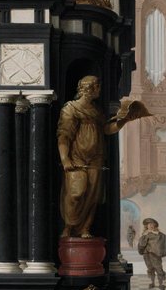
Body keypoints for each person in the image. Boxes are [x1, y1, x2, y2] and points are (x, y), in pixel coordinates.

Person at [57, 75, 142, 238]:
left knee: (93, 196)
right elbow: (64, 135)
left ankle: (85, 228)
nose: (99, 91)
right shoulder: (71, 108)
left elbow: (106, 130)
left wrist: (123, 121)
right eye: (97, 87)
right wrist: (65, 158)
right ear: (88, 89)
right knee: (76, 193)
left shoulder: (96, 111)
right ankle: (69, 226)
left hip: (96, 159)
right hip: (76, 159)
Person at [137, 217, 166, 289]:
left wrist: (161, 252)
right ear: (146, 226)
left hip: (155, 254)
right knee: (150, 268)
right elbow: (141, 245)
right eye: (149, 224)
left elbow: (163, 243)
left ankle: (161, 284)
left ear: (155, 225)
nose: (151, 226)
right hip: (146, 254)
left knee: (158, 268)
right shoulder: (144, 235)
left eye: (152, 224)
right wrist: (145, 237)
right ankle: (152, 283)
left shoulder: (160, 235)